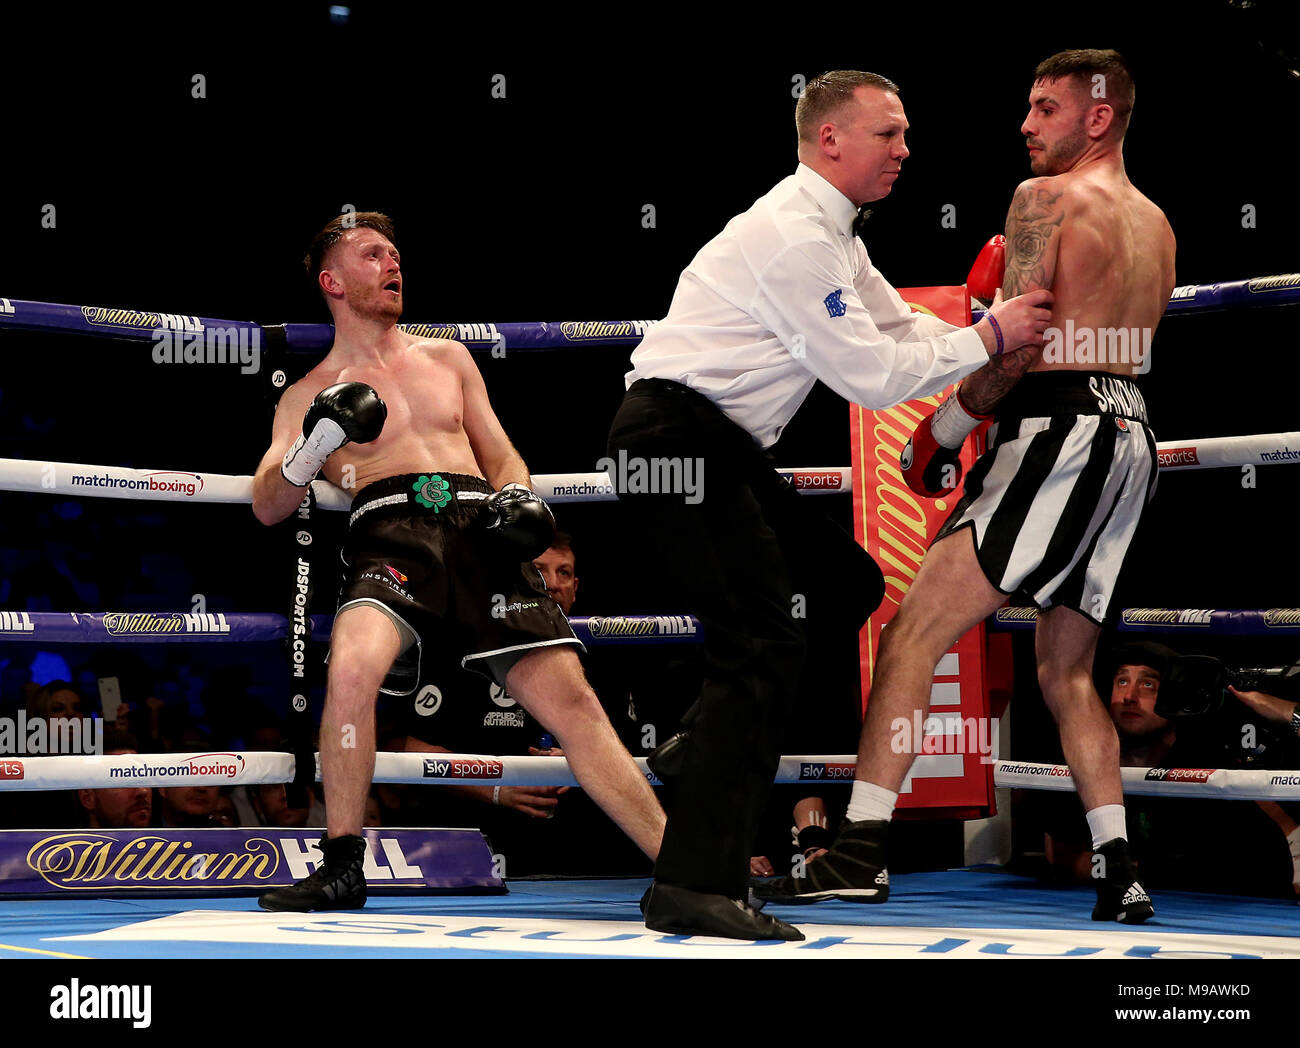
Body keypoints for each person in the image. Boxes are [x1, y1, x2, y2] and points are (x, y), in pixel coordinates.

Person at [607, 70, 1052, 941]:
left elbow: (900, 329)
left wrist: (984, 332)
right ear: (830, 139)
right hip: (672, 443)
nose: (905, 149)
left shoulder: (838, 234)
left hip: (717, 444)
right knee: (759, 645)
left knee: (842, 583)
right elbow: (871, 376)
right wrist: (990, 339)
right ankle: (690, 885)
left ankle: (698, 742)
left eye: (906, 133)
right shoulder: (794, 235)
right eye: (888, 133)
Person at [769, 50, 1176, 924]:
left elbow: (1020, 343)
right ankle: (1120, 869)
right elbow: (1115, 351)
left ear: (1097, 117)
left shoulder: (1044, 199)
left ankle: (859, 850)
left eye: (1045, 108)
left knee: (911, 631)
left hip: (1057, 431)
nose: (1026, 125)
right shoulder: (1157, 224)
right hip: (1131, 435)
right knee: (1068, 669)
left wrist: (946, 428)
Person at [252, 212, 665, 911]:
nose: (392, 263)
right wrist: (315, 442)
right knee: (350, 667)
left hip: (481, 527)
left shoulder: (448, 359)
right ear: (332, 282)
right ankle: (343, 863)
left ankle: (680, 866)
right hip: (389, 533)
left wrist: (519, 498)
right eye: (372, 254)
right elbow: (269, 502)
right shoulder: (306, 394)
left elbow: (501, 454)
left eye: (395, 253)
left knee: (572, 700)